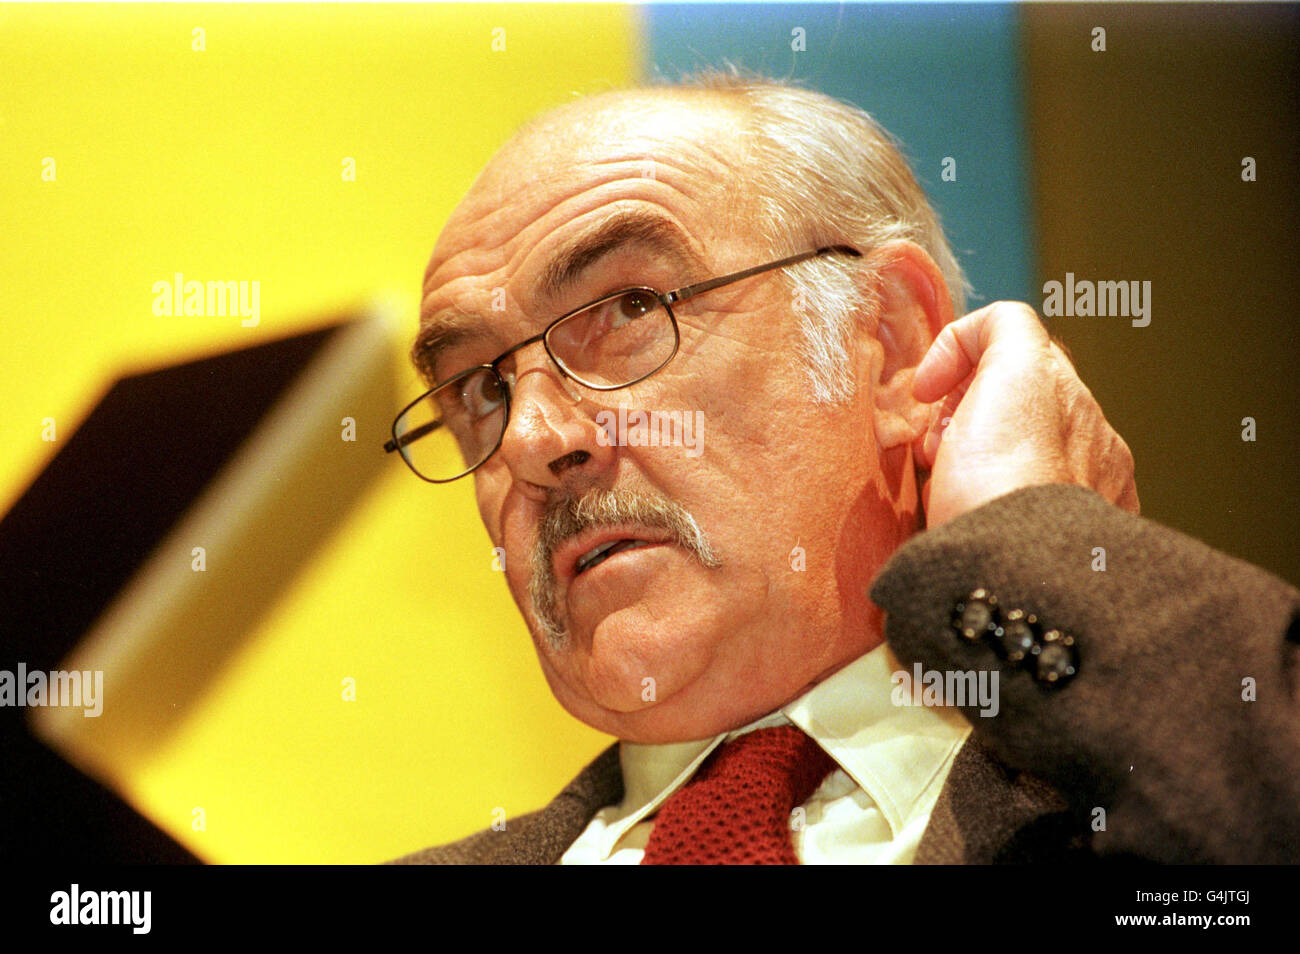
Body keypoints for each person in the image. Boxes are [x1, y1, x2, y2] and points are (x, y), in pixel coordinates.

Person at [384, 73, 1300, 864]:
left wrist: (1046, 554)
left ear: (889, 343)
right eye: (479, 390)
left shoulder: (1133, 799)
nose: (533, 438)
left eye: (628, 309)